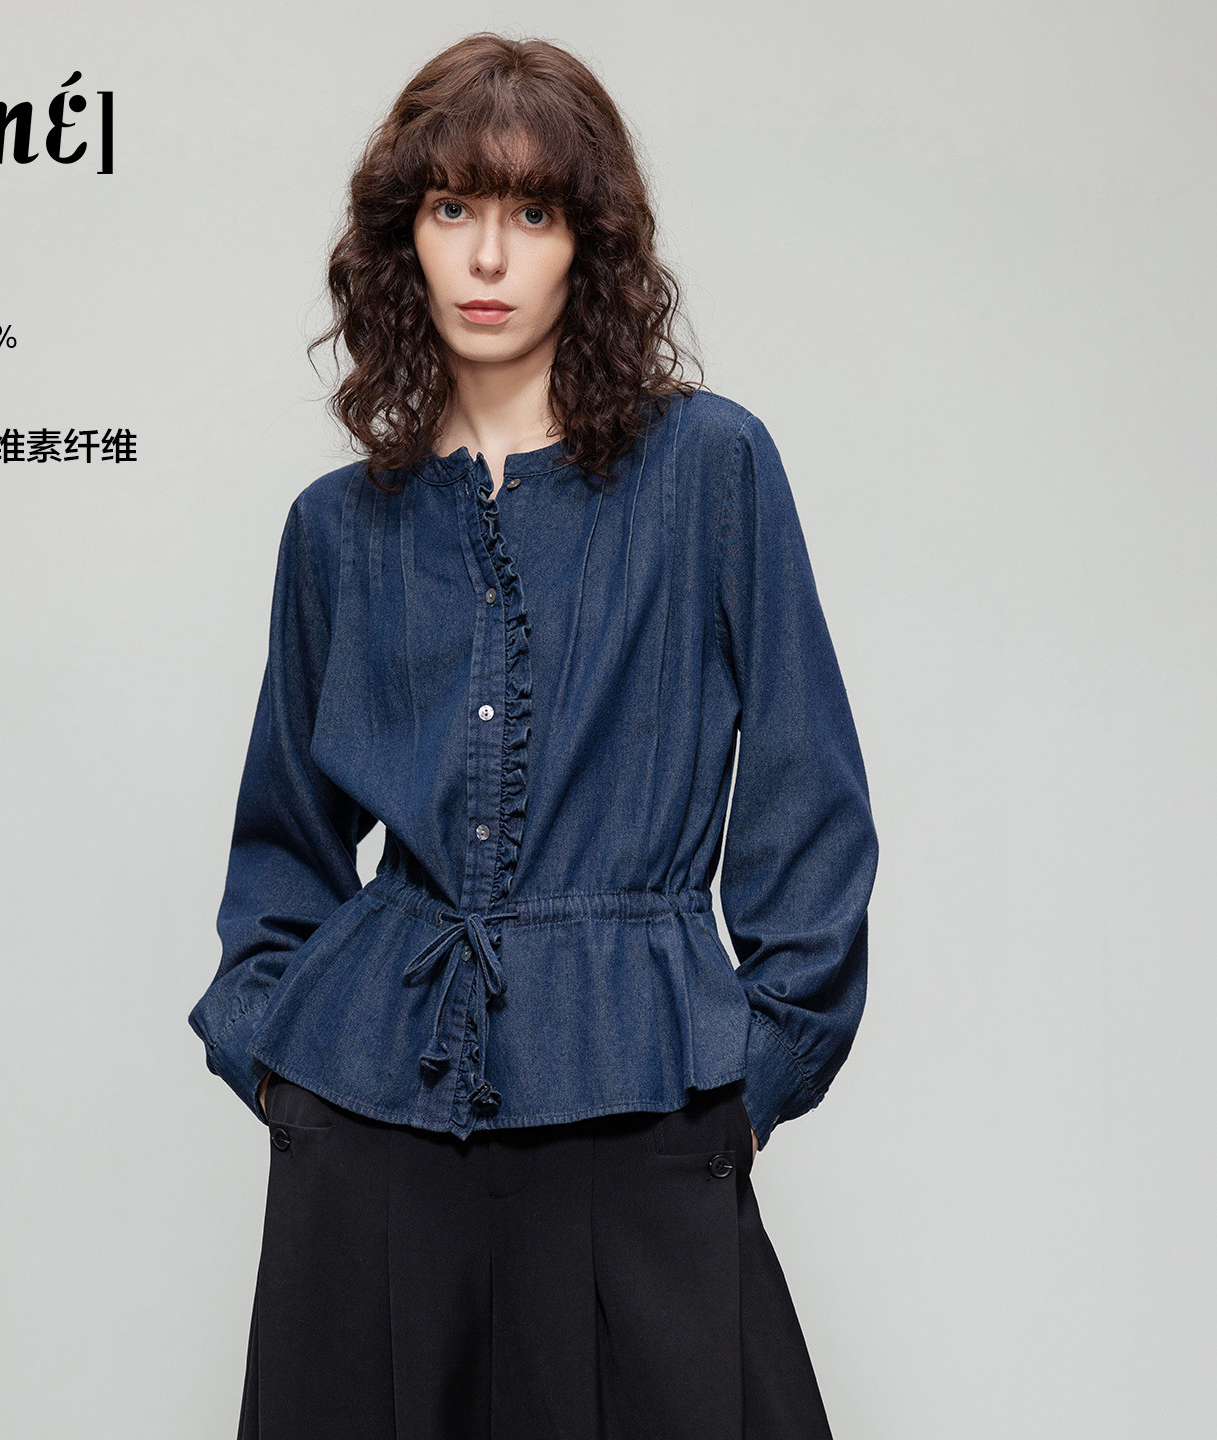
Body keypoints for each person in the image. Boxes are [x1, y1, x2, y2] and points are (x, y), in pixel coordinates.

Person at [189, 32, 878, 1440]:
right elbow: (282, 844)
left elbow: (807, 792)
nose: (488, 257)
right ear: (404, 239)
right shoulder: (337, 532)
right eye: (453, 209)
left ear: (589, 246)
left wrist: (755, 1079)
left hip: (644, 1101)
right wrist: (276, 1057)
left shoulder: (711, 470)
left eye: (533, 212)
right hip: (372, 1139)